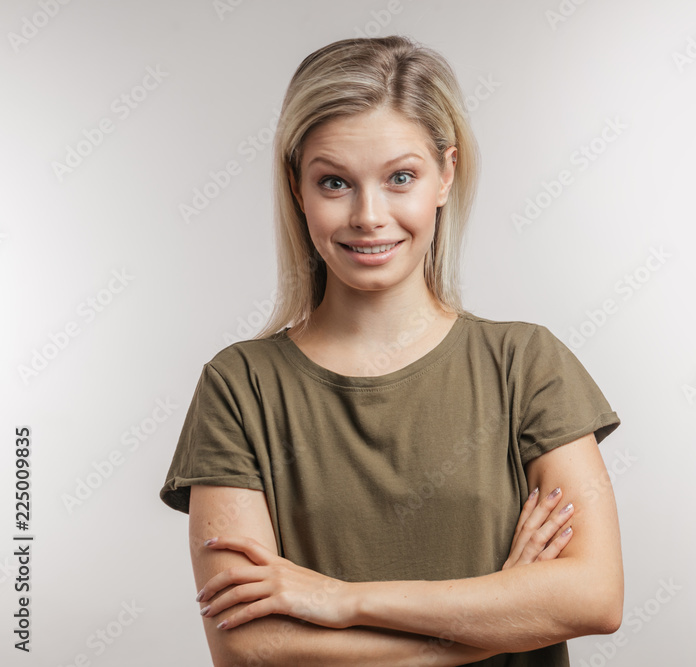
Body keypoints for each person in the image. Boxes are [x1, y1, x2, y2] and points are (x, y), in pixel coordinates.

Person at [159, 35, 623, 666]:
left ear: (445, 174)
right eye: (334, 182)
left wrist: (344, 601)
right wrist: (497, 617)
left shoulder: (526, 365)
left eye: (400, 177)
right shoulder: (240, 387)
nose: (368, 215)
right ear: (297, 187)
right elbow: (248, 650)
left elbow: (594, 597)